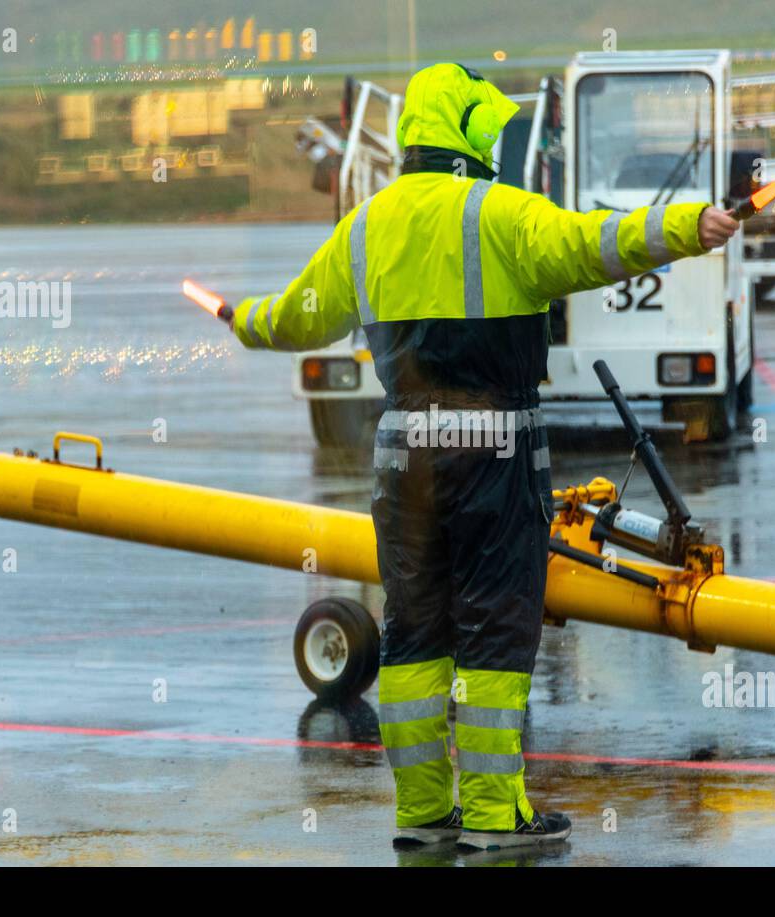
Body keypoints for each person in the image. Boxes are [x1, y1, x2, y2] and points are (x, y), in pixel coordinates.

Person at [231, 62, 739, 850]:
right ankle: (498, 816)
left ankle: (424, 813)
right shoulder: (503, 214)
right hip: (496, 454)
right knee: (497, 636)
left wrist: (241, 319)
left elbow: (297, 316)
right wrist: (689, 226)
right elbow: (596, 244)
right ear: (469, 132)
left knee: (413, 634)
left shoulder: (365, 225)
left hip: (405, 461)